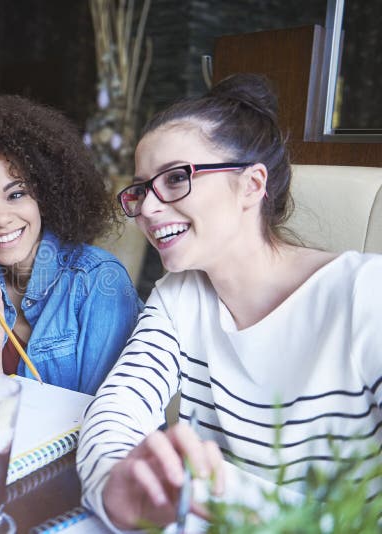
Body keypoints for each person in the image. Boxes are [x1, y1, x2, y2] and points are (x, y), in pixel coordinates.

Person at [76, 73, 382, 531]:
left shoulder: (365, 295)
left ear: (252, 185)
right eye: (140, 190)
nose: (149, 209)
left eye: (177, 178)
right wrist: (113, 486)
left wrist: (228, 498)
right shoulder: (179, 298)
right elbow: (117, 409)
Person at [0, 95, 141, 394]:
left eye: (16, 194)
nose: (0, 218)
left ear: (43, 198)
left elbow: (106, 422)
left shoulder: (97, 280)